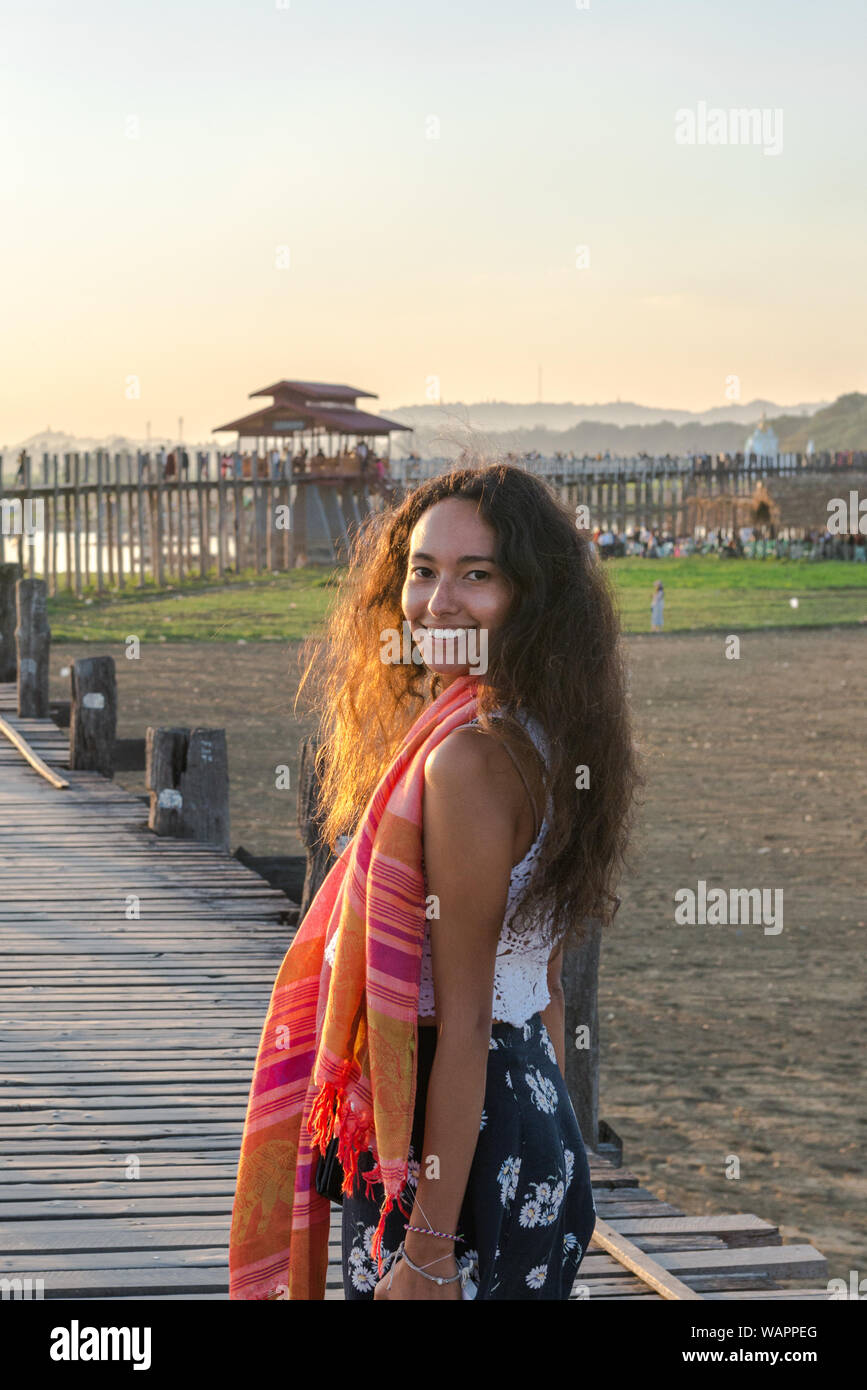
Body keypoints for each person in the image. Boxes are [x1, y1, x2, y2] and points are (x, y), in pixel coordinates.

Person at [229, 462, 642, 1301]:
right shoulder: (543, 731)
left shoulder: (465, 760)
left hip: (449, 1149)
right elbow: (547, 988)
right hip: (524, 1119)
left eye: (476, 575)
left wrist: (425, 1254)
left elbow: (461, 1026)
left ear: (531, 595)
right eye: (422, 570)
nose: (437, 601)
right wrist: (546, 1144)